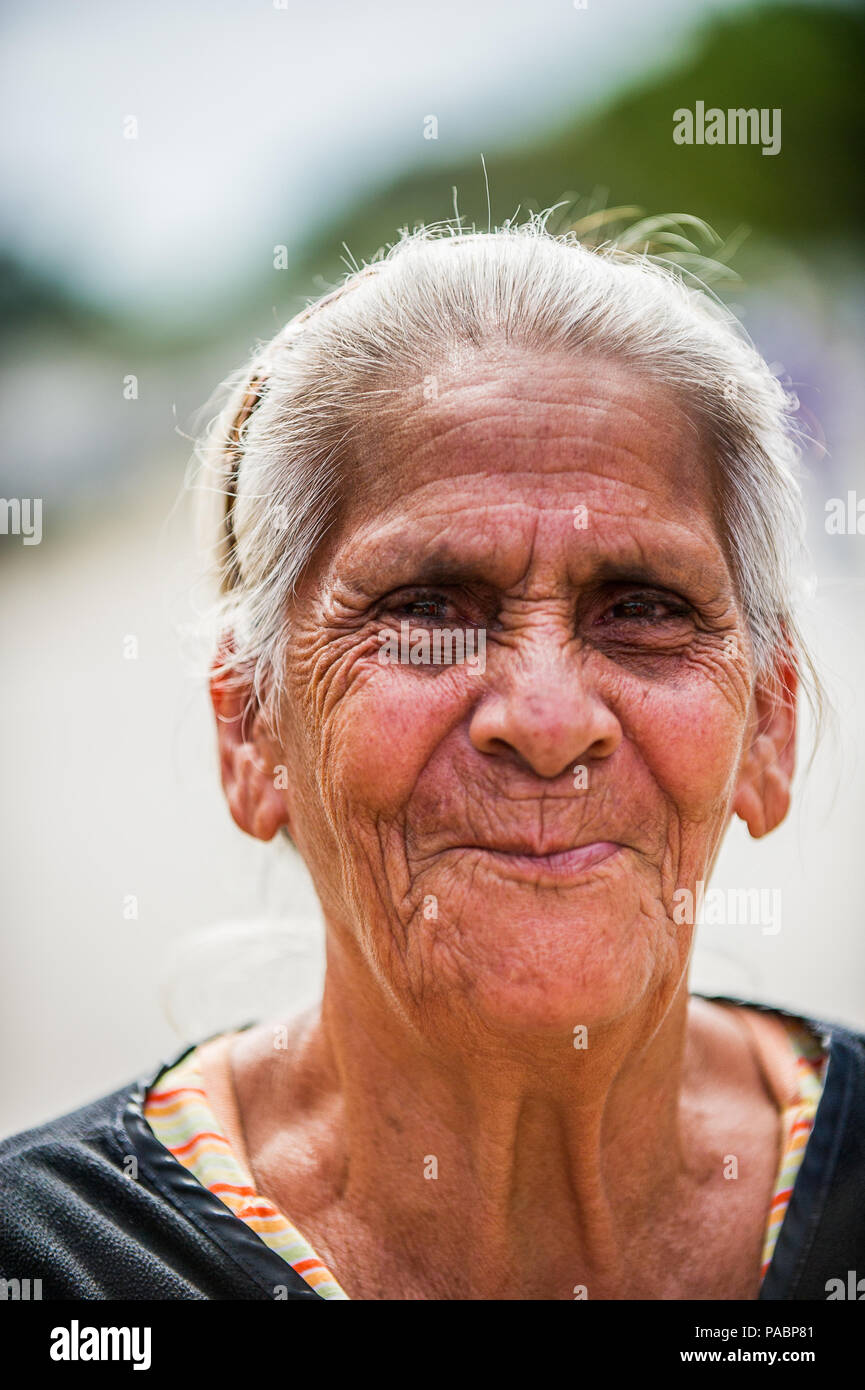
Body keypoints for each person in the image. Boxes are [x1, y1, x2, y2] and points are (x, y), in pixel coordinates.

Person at [2, 222, 863, 1300]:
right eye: (425, 611)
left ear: (769, 728)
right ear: (251, 729)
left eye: (642, 609)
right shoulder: (58, 1271)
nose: (548, 721)